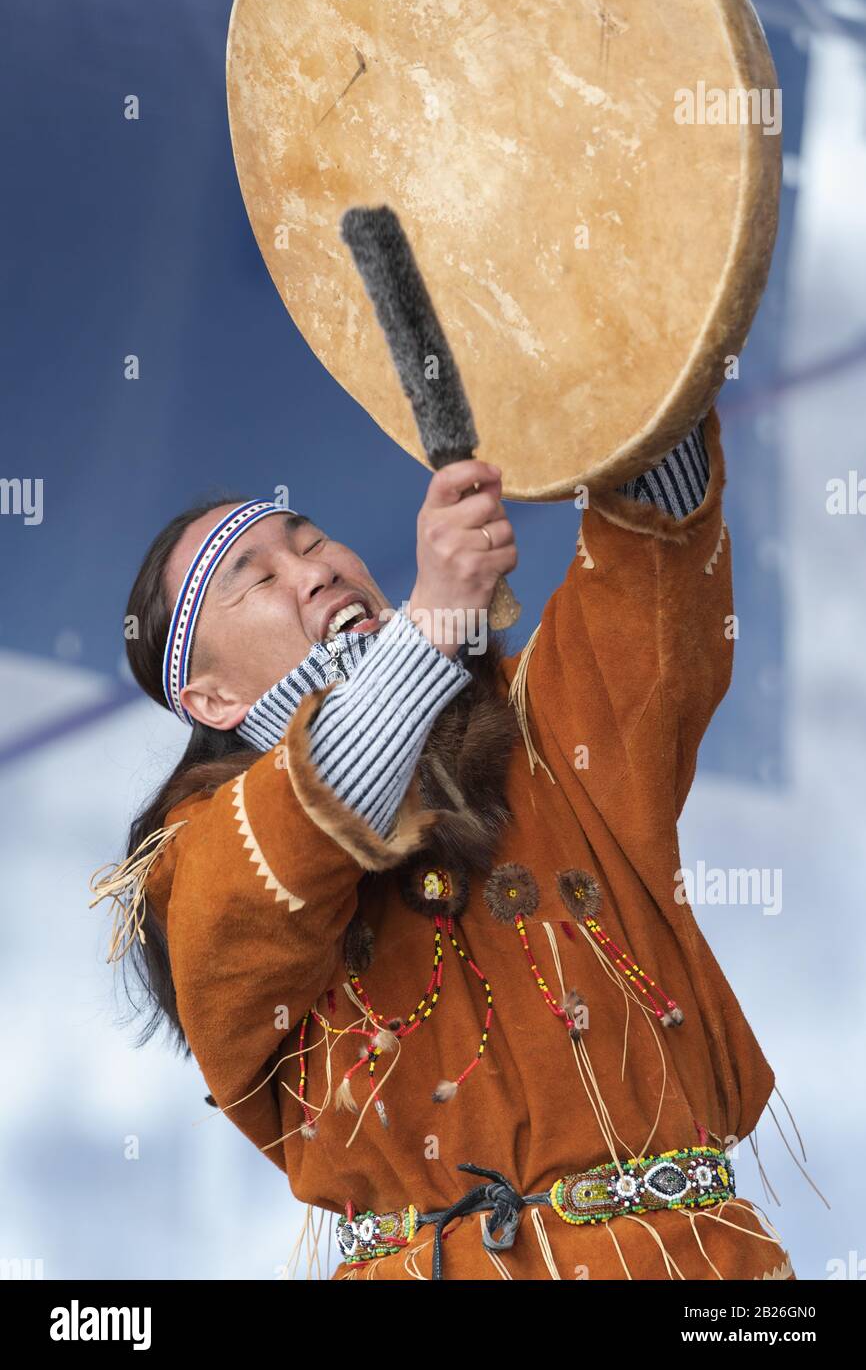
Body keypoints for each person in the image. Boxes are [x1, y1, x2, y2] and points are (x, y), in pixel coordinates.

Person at [91, 414, 799, 1280]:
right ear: (208, 699)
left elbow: (651, 576)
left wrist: (643, 382)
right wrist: (431, 628)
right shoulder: (195, 857)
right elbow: (288, 840)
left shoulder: (540, 728)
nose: (316, 570)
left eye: (312, 541)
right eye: (256, 579)